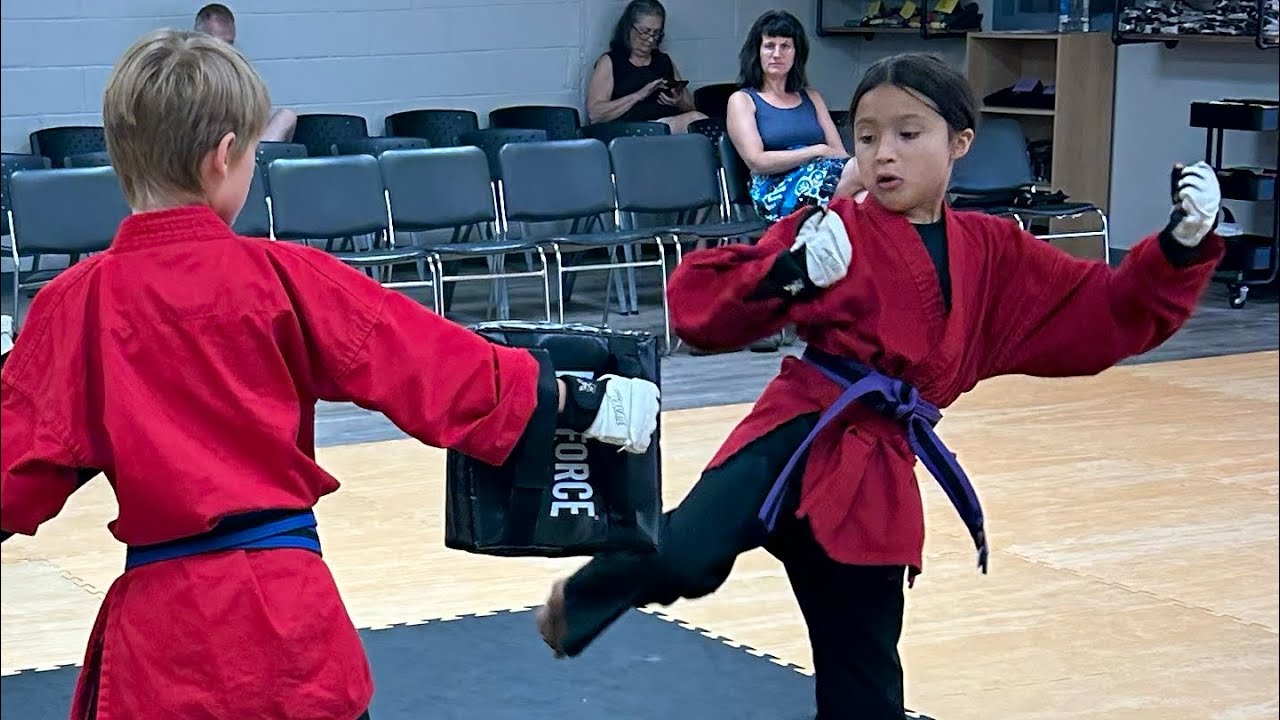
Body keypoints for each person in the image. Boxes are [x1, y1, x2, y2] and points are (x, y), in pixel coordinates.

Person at [537, 52, 1224, 719]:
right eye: (867, 137)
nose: (883, 154)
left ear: (960, 142)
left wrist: (1178, 248)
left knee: (864, 676)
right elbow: (698, 309)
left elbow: (1102, 310)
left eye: (907, 134)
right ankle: (589, 595)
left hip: (878, 467)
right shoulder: (832, 228)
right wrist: (790, 274)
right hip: (798, 430)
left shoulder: (994, 250)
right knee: (682, 556)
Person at [0, 29, 660, 720]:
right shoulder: (281, 278)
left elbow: (12, 475)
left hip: (161, 648)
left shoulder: (71, 306)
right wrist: (577, 399)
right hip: (285, 632)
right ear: (224, 157)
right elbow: (431, 363)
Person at [726, 10, 863, 223]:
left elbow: (838, 153)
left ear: (796, 53)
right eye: (769, 45)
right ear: (757, 52)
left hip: (822, 178)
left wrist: (823, 155)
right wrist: (816, 151)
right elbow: (756, 161)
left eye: (785, 46)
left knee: (865, 198)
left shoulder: (812, 96)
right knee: (866, 171)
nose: (777, 54)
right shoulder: (742, 100)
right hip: (775, 189)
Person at [585, 0, 707, 133]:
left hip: (669, 126)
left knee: (700, 122)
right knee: (694, 120)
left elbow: (690, 107)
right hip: (632, 130)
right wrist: (639, 95)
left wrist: (678, 102)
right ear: (629, 28)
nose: (650, 39)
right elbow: (595, 115)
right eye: (645, 31)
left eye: (655, 33)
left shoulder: (663, 60)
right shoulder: (610, 61)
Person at [194, 3, 298, 142]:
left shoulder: (240, 73)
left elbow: (258, 118)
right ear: (198, 39)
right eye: (216, 43)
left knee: (287, 116)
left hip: (242, 145)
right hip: (207, 146)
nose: (224, 50)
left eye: (229, 43)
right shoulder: (188, 74)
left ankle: (256, 160)